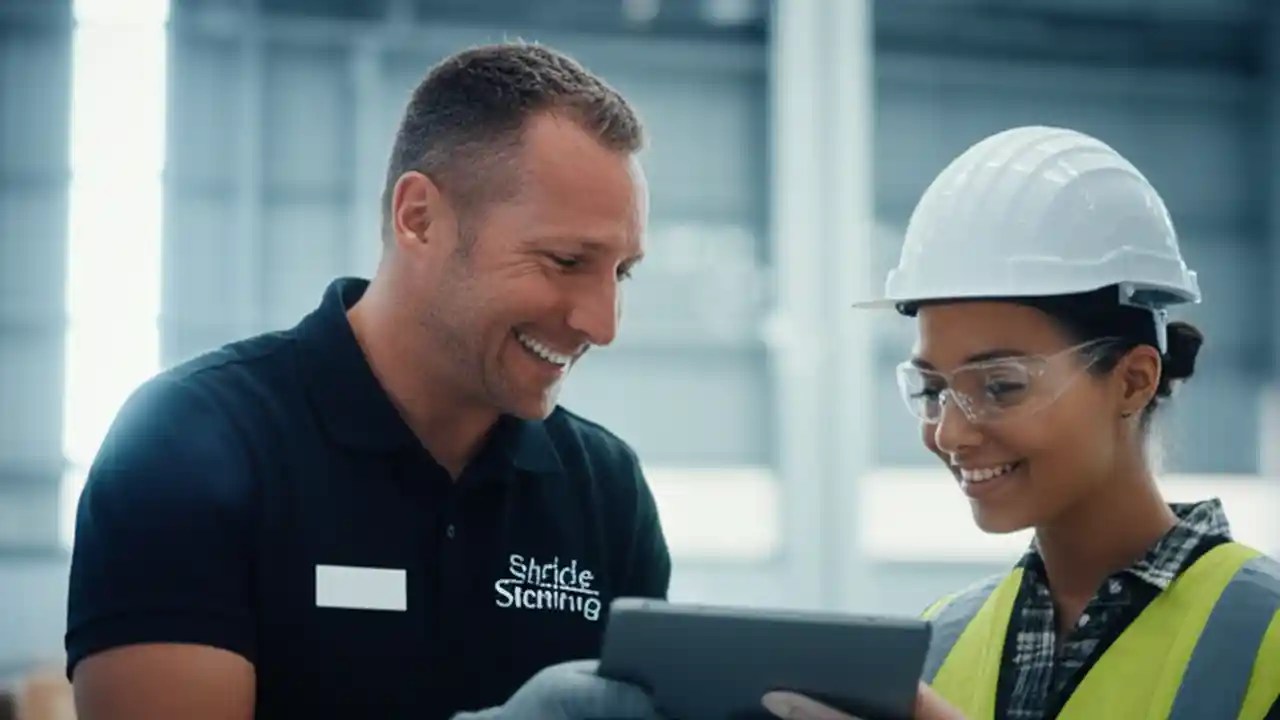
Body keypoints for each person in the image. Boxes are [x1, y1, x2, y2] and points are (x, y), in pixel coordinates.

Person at [471, 126, 1280, 720]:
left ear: (1133, 380)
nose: (951, 434)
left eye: (1000, 386)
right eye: (930, 389)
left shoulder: (1263, 636)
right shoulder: (936, 644)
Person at [64, 41, 671, 720]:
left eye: (621, 273)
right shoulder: (184, 444)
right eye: (565, 261)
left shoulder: (606, 491)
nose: (603, 324)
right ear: (420, 219)